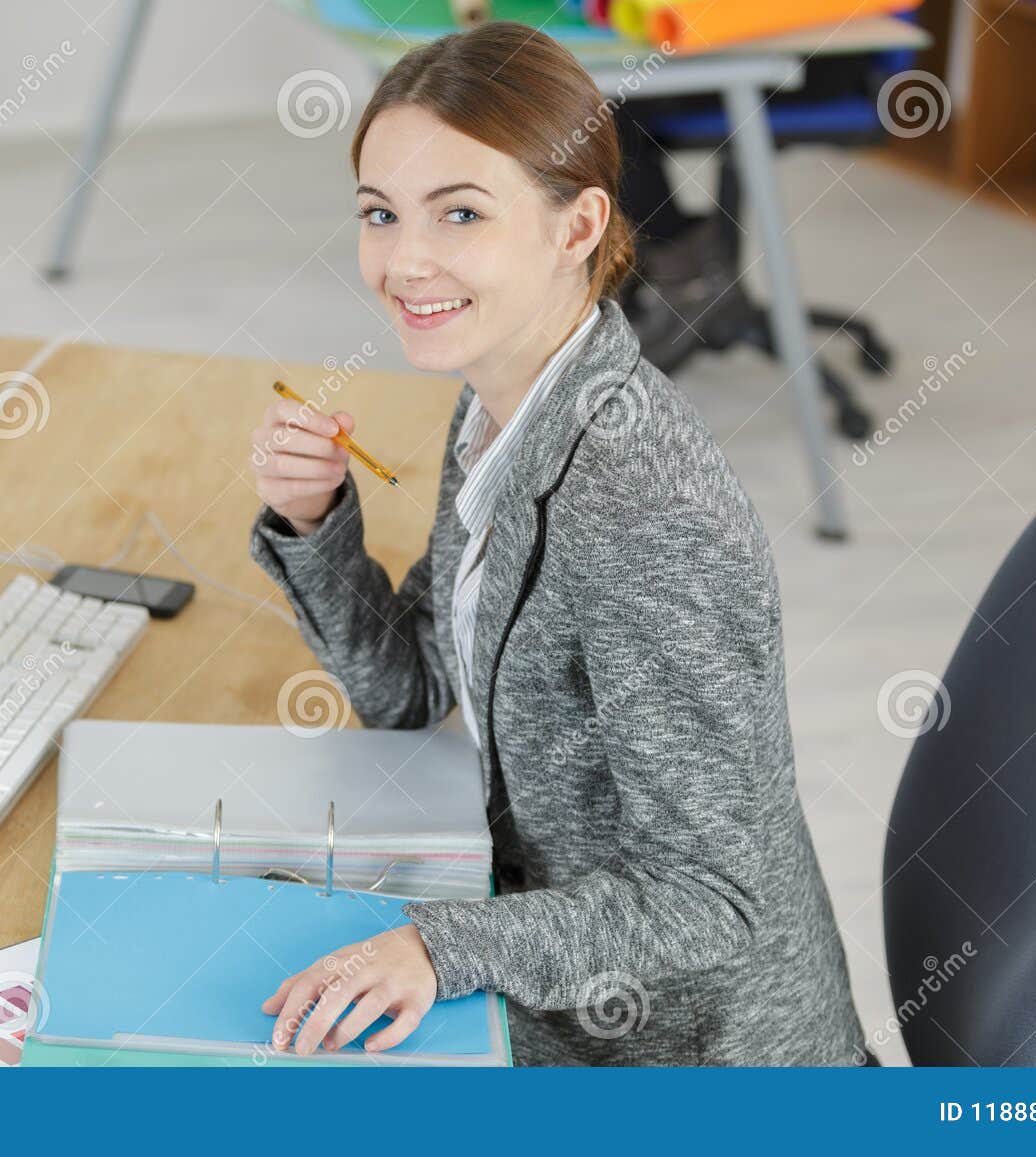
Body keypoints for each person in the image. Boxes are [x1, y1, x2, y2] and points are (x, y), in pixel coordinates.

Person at [247, 21, 865, 1066]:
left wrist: (442, 947)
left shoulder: (641, 501)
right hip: (561, 957)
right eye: (380, 213)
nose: (405, 261)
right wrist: (314, 523)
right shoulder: (500, 401)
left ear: (577, 225)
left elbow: (712, 897)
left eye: (460, 213)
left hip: (683, 1052)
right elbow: (412, 688)